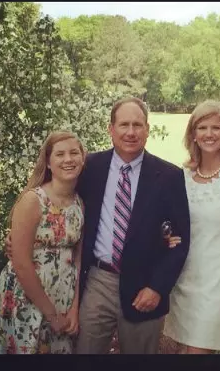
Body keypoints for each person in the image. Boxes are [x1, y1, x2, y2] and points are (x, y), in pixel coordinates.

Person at [74, 97, 191, 354]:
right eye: (123, 124)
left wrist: (158, 287)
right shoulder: (90, 167)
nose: (130, 132)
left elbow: (180, 243)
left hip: (145, 286)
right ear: (111, 129)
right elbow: (56, 197)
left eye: (137, 125)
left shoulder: (169, 176)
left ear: (147, 129)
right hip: (98, 281)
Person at [163, 100, 220, 354]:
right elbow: (172, 225)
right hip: (184, 281)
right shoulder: (182, 177)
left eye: (216, 127)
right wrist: (167, 238)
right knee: (183, 351)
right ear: (193, 134)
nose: (209, 134)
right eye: (202, 127)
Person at [0, 131, 86, 354]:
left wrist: (73, 309)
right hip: (27, 299)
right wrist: (51, 314)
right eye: (60, 154)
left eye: (74, 153)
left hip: (63, 299)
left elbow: (77, 259)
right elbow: (21, 263)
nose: (68, 159)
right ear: (48, 162)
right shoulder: (33, 200)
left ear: (83, 159)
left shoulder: (79, 204)